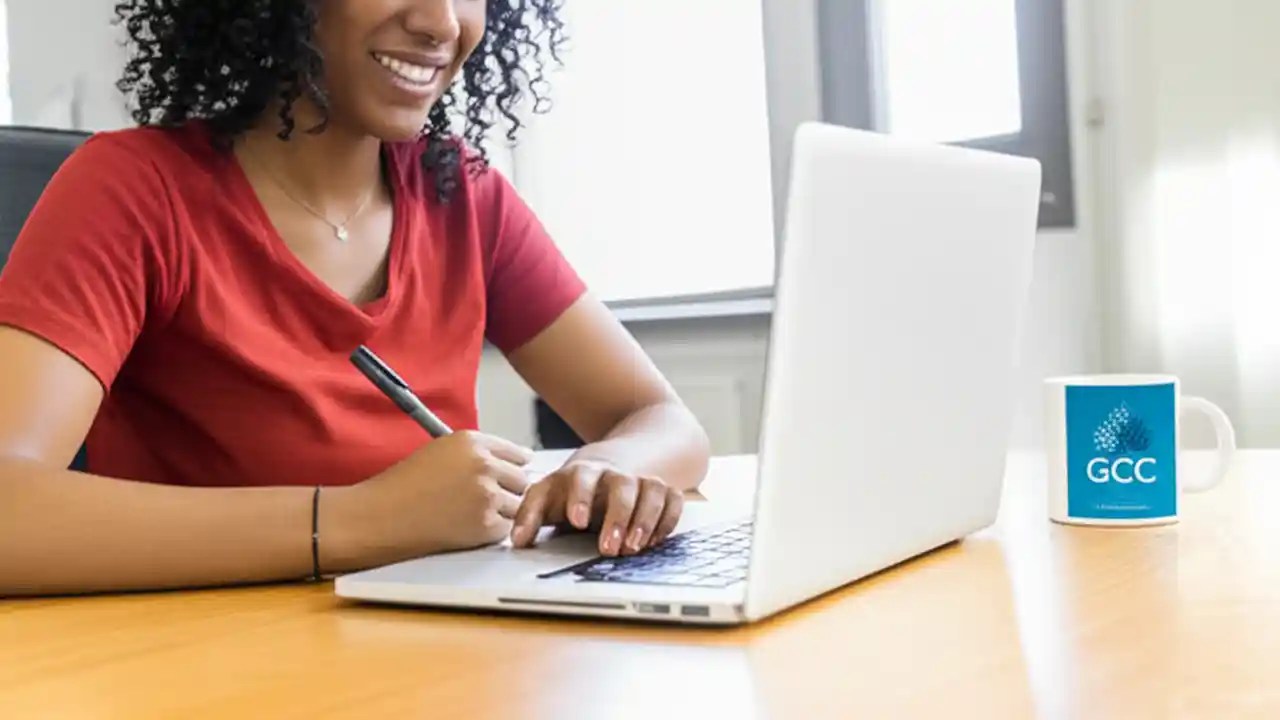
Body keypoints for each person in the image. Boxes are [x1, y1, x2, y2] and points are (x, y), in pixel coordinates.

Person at [0, 0, 710, 596]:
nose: (441, 21)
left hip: (439, 660)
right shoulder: (133, 191)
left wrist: (610, 470)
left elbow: (661, 421)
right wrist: (360, 520)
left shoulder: (461, 194)